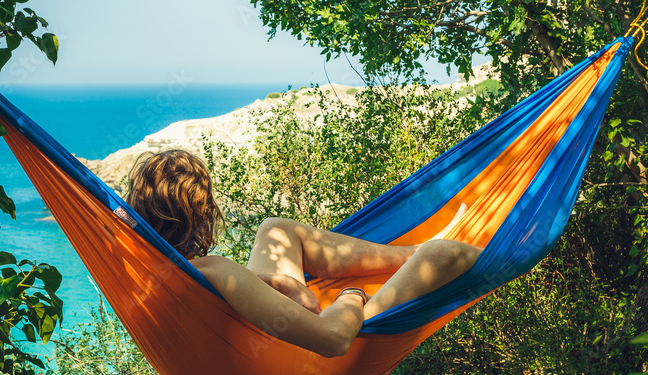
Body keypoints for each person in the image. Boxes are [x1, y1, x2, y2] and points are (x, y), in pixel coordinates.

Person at [126, 149, 481, 358]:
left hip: (251, 359)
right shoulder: (214, 270)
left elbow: (219, 294)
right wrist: (351, 295)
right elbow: (334, 341)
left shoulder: (144, 271)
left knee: (275, 229)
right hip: (293, 366)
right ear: (202, 211)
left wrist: (268, 281)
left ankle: (408, 253)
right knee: (444, 255)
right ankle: (491, 252)